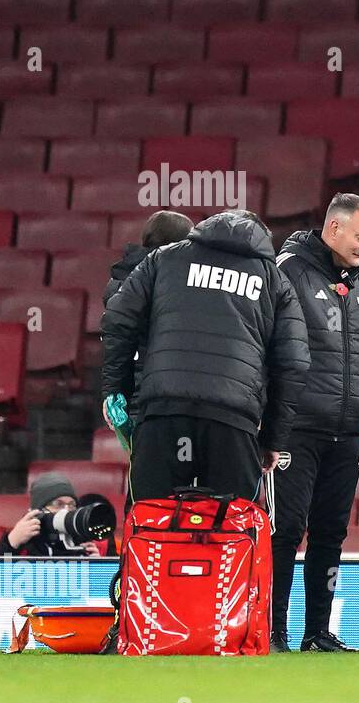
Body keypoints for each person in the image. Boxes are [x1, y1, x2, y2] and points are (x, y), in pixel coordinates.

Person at [100, 209, 310, 502]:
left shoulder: (164, 258)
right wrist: (271, 439)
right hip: (233, 423)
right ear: (262, 238)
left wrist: (116, 390)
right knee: (232, 533)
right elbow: (294, 364)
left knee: (150, 524)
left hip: (163, 413)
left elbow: (118, 319)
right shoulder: (274, 281)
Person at [269, 193, 359, 653]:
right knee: (283, 530)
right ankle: (273, 632)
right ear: (334, 229)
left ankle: (317, 634)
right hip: (295, 431)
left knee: (330, 534)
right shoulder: (286, 272)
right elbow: (268, 348)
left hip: (346, 434)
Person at [0, 473, 100, 557]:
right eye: (58, 504)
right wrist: (10, 544)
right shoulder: (21, 540)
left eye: (72, 505)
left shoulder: (88, 542)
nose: (66, 511)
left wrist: (99, 569)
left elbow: (113, 585)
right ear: (37, 511)